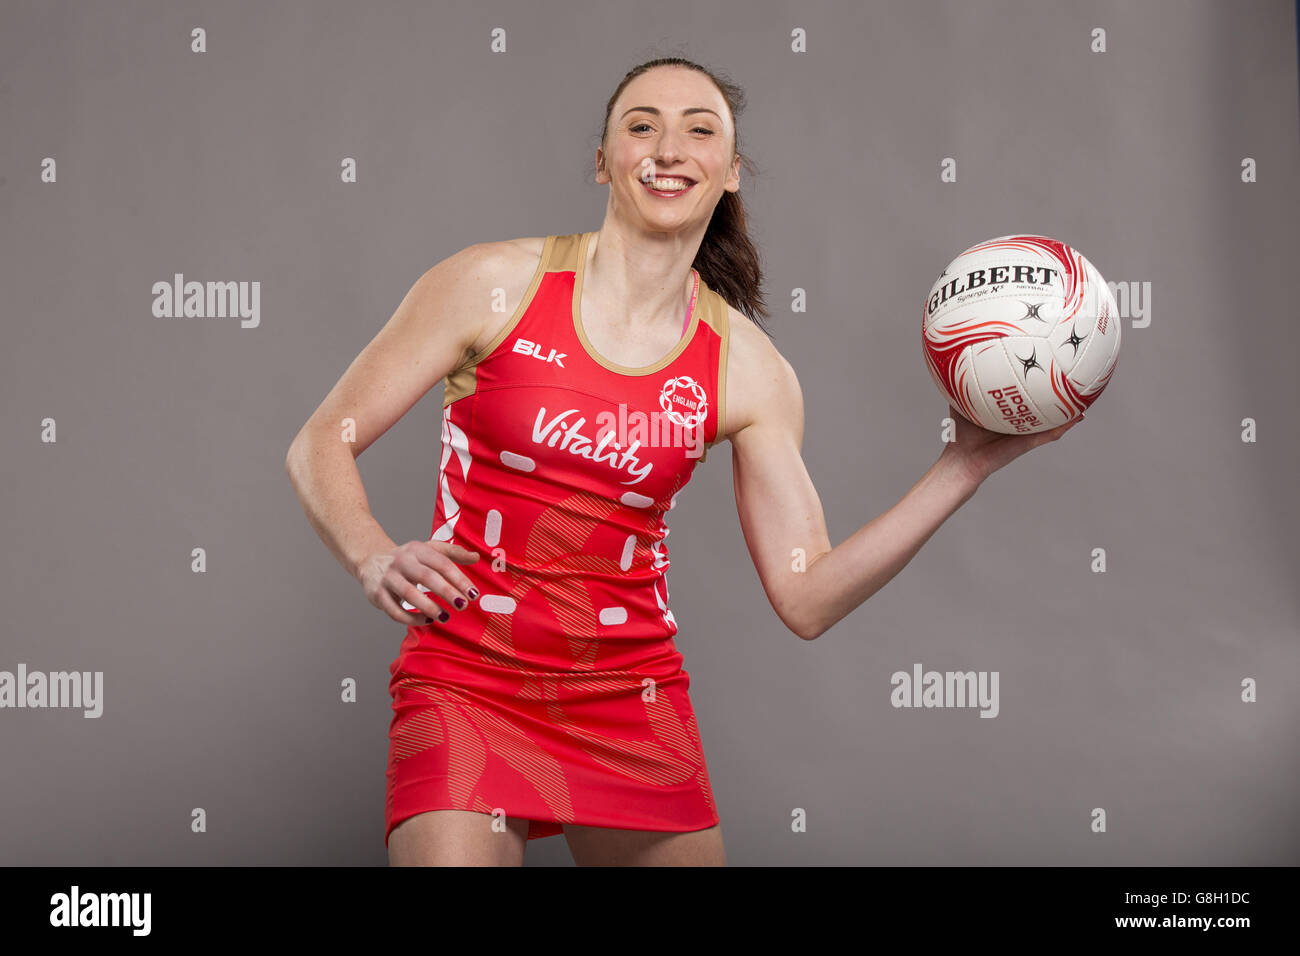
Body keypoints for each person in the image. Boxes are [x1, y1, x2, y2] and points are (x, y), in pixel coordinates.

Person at [284, 56, 1081, 867]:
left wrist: (963, 467)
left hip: (628, 696)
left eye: (699, 130)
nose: (669, 149)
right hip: (467, 678)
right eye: (642, 126)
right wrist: (371, 552)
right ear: (604, 160)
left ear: (730, 171)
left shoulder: (748, 366)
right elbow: (319, 441)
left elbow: (807, 596)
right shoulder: (491, 283)